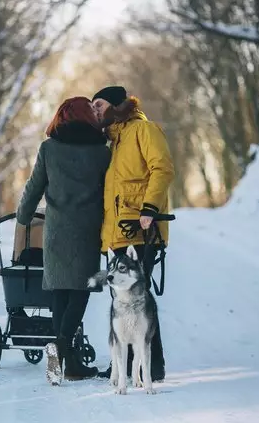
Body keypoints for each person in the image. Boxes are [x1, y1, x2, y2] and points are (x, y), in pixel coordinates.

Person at [16, 96, 111, 385]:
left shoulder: (49, 149)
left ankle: (63, 356)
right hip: (87, 231)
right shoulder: (102, 152)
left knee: (58, 290)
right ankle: (66, 356)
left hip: (55, 230)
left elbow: (34, 188)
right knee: (81, 291)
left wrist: (22, 217)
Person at [92, 86, 175, 382]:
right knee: (126, 301)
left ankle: (142, 367)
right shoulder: (113, 142)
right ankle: (146, 366)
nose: (95, 111)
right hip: (118, 236)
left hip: (141, 231)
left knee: (137, 300)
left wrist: (149, 208)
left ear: (116, 105)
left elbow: (162, 168)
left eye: (99, 105)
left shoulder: (144, 130)